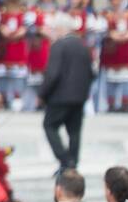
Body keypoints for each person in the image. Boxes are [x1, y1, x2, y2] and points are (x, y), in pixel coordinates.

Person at [37, 13, 94, 174]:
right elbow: (91, 73)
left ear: (61, 29)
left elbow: (53, 74)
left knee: (49, 126)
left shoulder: (59, 45)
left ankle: (65, 160)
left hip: (59, 96)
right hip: (79, 96)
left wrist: (42, 94)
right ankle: (72, 162)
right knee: (74, 131)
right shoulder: (83, 46)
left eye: (54, 29)